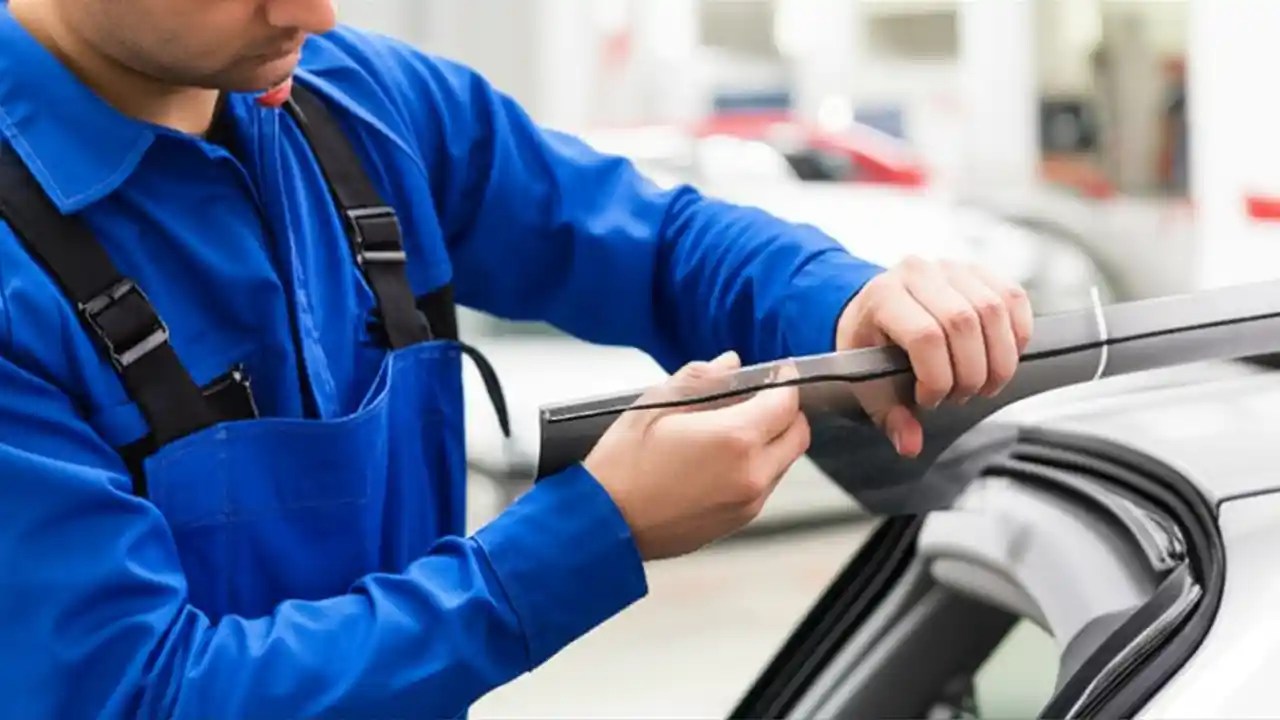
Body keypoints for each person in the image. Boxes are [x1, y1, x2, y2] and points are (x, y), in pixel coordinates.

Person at [0, 0, 1034, 717]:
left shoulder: (362, 106)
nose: (315, 17)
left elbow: (653, 244)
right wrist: (593, 531)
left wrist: (843, 300)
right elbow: (141, 696)